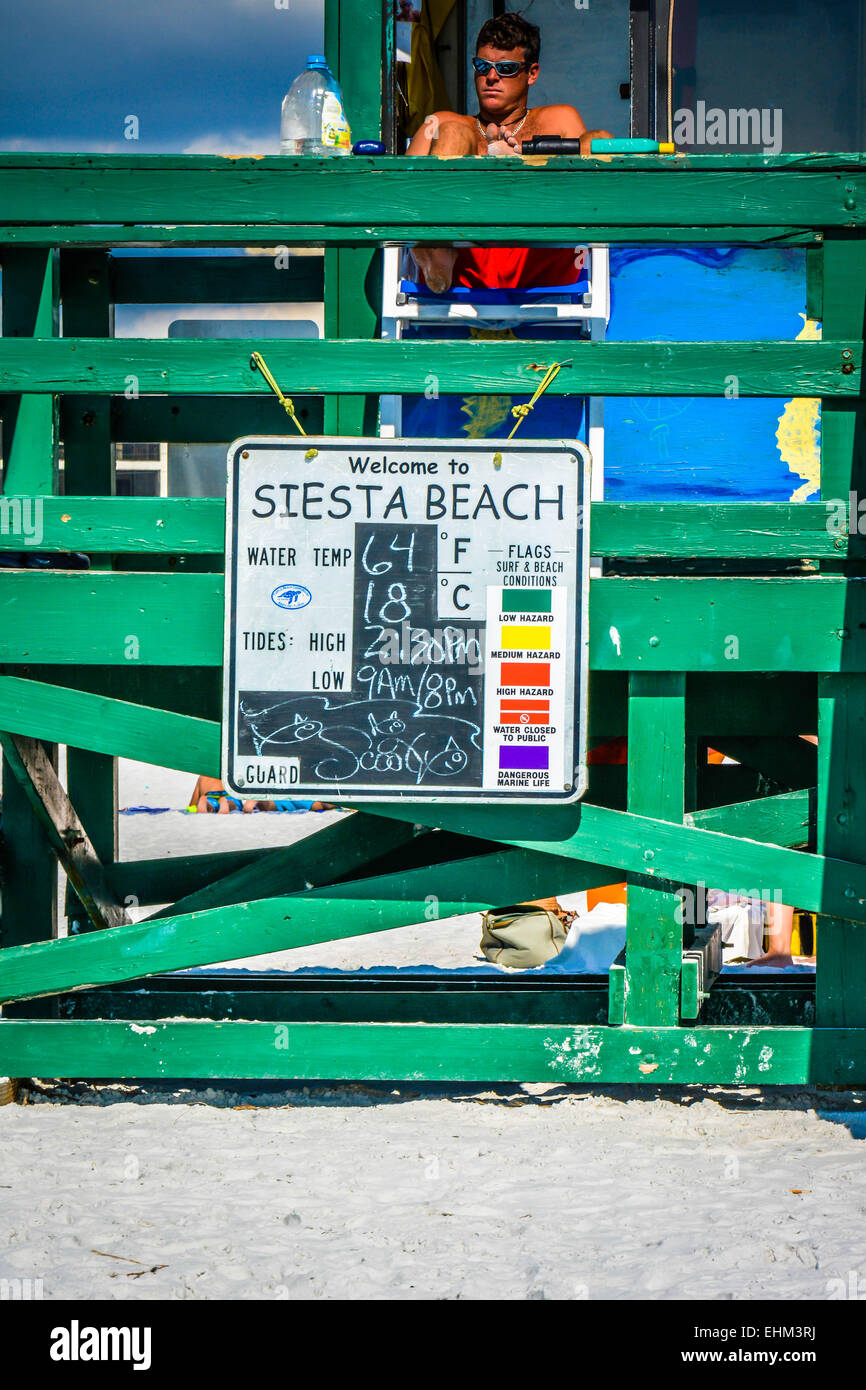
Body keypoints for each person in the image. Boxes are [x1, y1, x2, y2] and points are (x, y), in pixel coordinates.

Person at [406, 10, 613, 295]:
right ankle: (439, 257)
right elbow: (403, 200)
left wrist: (528, 167)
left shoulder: (558, 119)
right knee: (452, 131)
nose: (491, 77)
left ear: (532, 73)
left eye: (506, 69)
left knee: (598, 140)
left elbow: (588, 196)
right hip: (463, 263)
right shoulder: (443, 122)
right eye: (482, 66)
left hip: (539, 257)